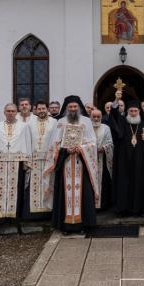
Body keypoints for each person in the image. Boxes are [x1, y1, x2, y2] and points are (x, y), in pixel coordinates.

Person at [46, 96, 98, 233]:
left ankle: (83, 225)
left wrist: (81, 148)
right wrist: (65, 150)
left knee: (84, 195)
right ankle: (66, 226)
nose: (73, 109)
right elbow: (54, 144)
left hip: (82, 164)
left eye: (75, 107)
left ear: (79, 108)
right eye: (70, 107)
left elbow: (93, 143)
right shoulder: (61, 122)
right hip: (65, 164)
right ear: (66, 108)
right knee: (65, 194)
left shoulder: (86, 121)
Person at [0, 103, 32, 231]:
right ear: (4, 112)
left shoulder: (23, 127)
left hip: (17, 163)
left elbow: (27, 143)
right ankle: (1, 219)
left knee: (16, 190)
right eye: (8, 111)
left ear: (16, 112)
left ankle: (15, 218)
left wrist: (26, 161)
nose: (11, 113)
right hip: (1, 164)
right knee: (0, 190)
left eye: (13, 111)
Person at [108, 93, 144, 216]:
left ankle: (138, 209)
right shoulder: (122, 122)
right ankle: (123, 209)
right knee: (124, 184)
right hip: (124, 161)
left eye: (135, 111)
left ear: (139, 111)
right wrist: (116, 99)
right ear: (128, 111)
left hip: (139, 161)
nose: (133, 113)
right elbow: (113, 114)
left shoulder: (143, 125)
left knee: (139, 183)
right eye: (131, 111)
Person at [23, 101, 58, 220]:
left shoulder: (54, 122)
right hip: (35, 160)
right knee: (35, 185)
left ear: (47, 109)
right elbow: (27, 141)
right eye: (39, 109)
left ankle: (48, 212)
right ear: (36, 110)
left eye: (43, 108)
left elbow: (56, 140)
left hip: (49, 159)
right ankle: (34, 214)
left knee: (49, 183)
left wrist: (54, 157)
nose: (42, 110)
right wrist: (28, 158)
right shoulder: (30, 123)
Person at [90, 109, 114, 210]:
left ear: (101, 117)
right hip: (89, 159)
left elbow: (110, 143)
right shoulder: (87, 127)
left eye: (98, 117)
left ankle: (103, 205)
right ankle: (91, 205)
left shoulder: (106, 128)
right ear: (90, 117)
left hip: (102, 159)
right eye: (94, 117)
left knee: (103, 181)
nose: (96, 119)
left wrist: (103, 148)